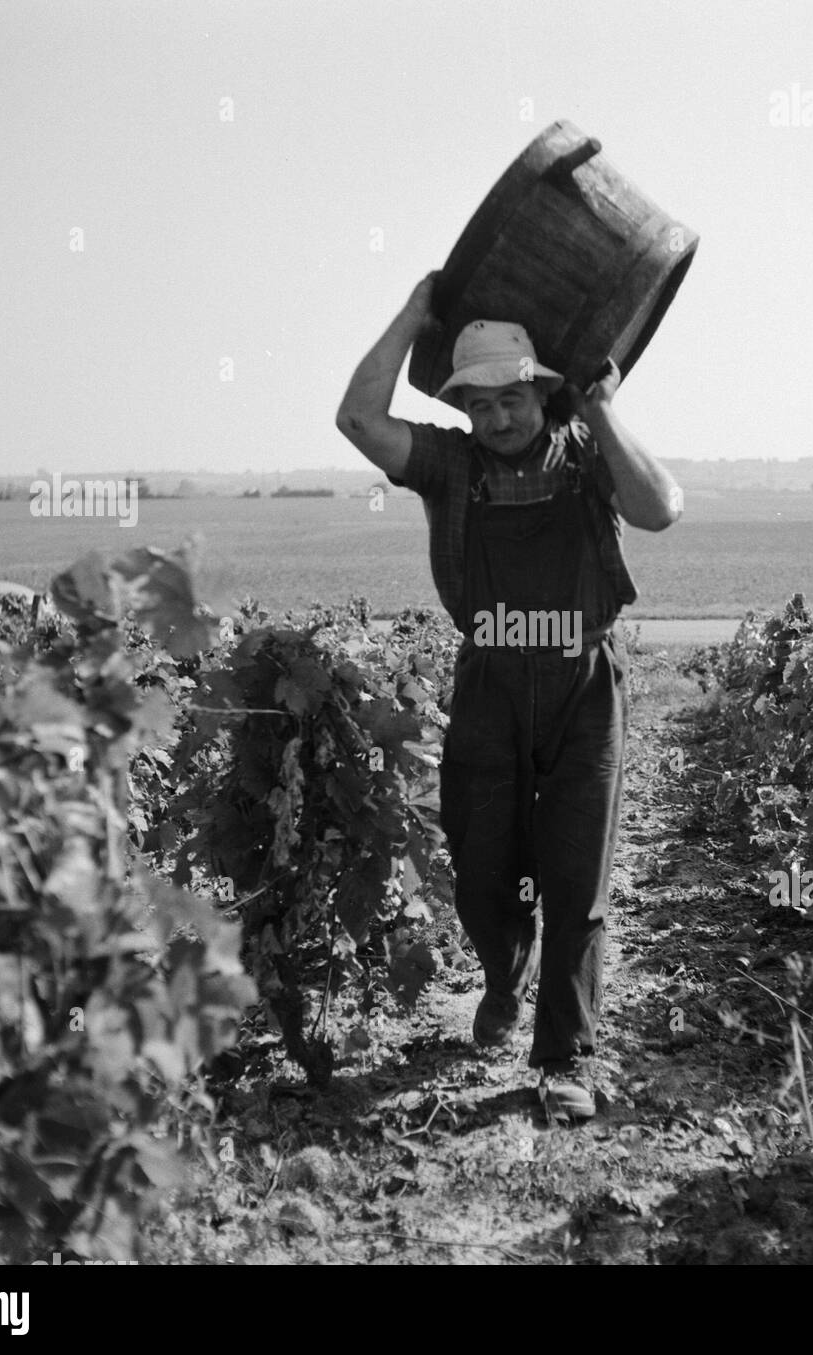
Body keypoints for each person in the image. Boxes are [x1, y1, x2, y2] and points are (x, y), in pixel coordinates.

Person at [335, 273, 682, 1121]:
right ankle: (503, 973)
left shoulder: (586, 455)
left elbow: (662, 508)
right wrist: (415, 313)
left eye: (511, 400)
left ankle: (567, 1056)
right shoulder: (450, 466)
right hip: (489, 681)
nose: (496, 419)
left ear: (540, 390)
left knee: (576, 877)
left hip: (580, 681)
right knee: (483, 869)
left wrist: (600, 410)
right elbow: (358, 420)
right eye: (478, 405)